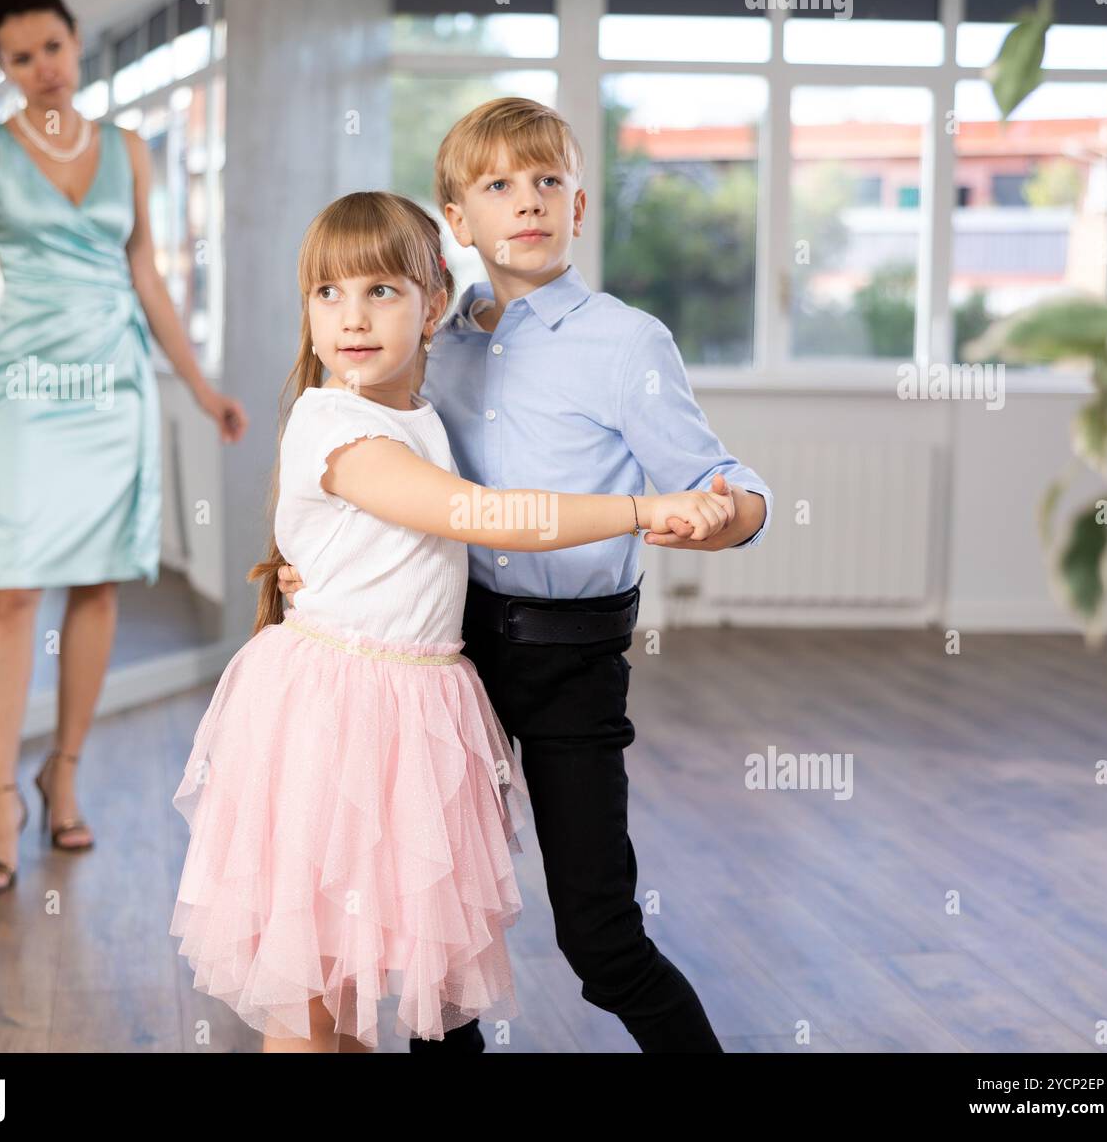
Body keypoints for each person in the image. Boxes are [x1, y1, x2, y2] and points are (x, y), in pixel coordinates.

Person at [168, 190, 733, 1053]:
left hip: (412, 708)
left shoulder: (423, 413)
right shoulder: (334, 421)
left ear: (433, 304)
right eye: (329, 295)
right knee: (312, 995)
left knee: (354, 984)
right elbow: (486, 517)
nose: (352, 318)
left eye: (381, 292)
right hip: (335, 716)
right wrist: (640, 507)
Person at [279, 97, 774, 1052]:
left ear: (580, 209)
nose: (529, 201)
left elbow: (725, 481)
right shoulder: (432, 338)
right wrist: (325, 579)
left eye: (549, 180)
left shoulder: (629, 343)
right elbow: (382, 488)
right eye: (499, 185)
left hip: (571, 664)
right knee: (439, 930)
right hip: (443, 661)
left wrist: (721, 516)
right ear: (458, 224)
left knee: (600, 933)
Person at [0, 0, 247, 895]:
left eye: (51, 47)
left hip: (115, 392)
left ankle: (66, 773)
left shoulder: (131, 148)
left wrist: (202, 387)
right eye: (20, 58)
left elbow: (149, 276)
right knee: (13, 592)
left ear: (74, 39)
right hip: (22, 391)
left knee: (97, 585)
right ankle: (2, 801)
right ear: (2, 68)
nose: (41, 69)